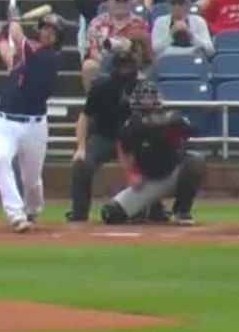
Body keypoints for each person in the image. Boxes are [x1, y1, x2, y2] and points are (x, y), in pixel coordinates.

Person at [0, 7, 64, 232]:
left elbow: (18, 36)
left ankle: (33, 209)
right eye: (45, 28)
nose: (48, 33)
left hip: (34, 126)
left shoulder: (48, 57)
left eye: (53, 30)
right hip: (5, 122)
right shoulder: (27, 53)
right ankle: (15, 215)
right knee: (1, 160)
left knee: (31, 180)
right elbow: (8, 55)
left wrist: (13, 20)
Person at [100, 81, 204, 225]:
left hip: (172, 175)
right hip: (147, 181)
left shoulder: (171, 119)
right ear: (137, 100)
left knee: (196, 161)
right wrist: (132, 174)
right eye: (144, 97)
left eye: (150, 97)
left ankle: (181, 211)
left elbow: (193, 131)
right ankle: (146, 209)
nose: (147, 101)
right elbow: (123, 149)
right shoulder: (132, 125)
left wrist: (174, 124)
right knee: (111, 214)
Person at [68, 48, 143, 222]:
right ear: (114, 67)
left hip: (132, 139)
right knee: (81, 164)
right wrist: (81, 147)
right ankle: (79, 212)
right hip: (104, 137)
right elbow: (85, 117)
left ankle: (147, 209)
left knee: (150, 164)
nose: (125, 70)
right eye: (121, 66)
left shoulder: (143, 88)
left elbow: (151, 118)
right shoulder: (101, 86)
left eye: (128, 66)